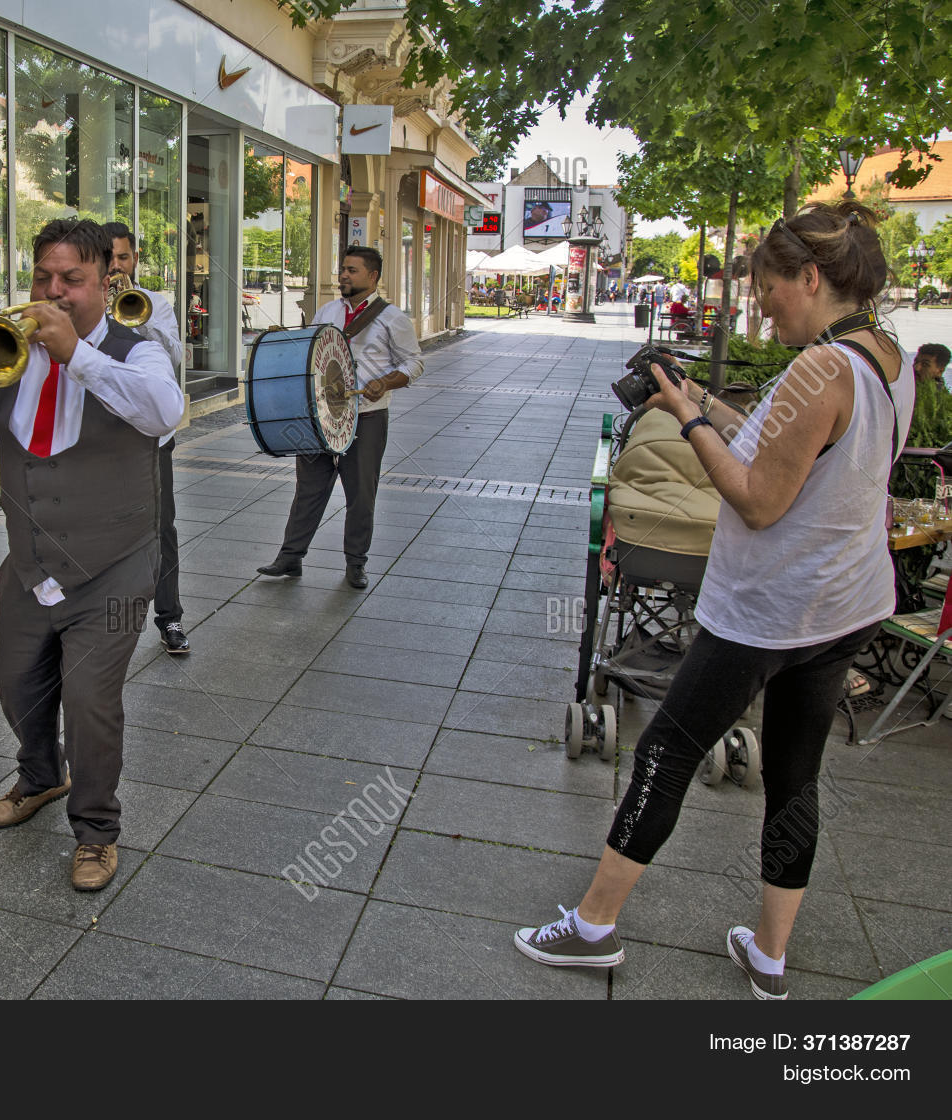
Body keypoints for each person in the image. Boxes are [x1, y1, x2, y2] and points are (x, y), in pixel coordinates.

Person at [514, 202, 914, 999]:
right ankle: (769, 954)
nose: (760, 305)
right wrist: (693, 400)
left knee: (665, 751)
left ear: (810, 276)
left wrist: (689, 418)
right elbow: (791, 448)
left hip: (773, 608)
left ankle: (592, 927)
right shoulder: (883, 357)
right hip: (847, 603)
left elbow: (759, 499)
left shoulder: (818, 368)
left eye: (769, 288)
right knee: (795, 777)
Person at [0, 218, 183, 891]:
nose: (54, 291)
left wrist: (79, 354)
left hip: (115, 561)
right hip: (32, 562)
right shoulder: (9, 349)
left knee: (89, 700)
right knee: (15, 679)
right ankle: (41, 777)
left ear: (107, 280)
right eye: (43, 276)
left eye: (71, 279)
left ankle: (97, 830)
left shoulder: (141, 349)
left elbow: (164, 412)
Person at [257, 246, 423, 589]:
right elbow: (314, 354)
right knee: (309, 488)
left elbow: (414, 363)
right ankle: (291, 556)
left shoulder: (393, 318)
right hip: (320, 415)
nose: (343, 275)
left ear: (373, 276)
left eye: (352, 270)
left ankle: (356, 563)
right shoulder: (329, 309)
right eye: (342, 269)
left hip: (366, 416)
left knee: (361, 493)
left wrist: (386, 381)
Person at [103, 221, 190, 655]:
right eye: (108, 258)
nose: (116, 266)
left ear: (134, 258)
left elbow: (175, 356)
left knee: (161, 527)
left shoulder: (156, 303)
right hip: (103, 437)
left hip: (151, 438)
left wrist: (135, 317)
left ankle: (169, 618)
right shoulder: (86, 304)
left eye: (122, 257)